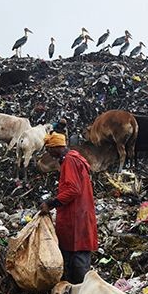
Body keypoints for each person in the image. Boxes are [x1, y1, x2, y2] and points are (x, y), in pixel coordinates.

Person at [39, 121, 98, 284]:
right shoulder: (73, 159)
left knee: (78, 258)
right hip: (78, 214)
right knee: (72, 254)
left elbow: (73, 190)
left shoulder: (70, 161)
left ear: (56, 147)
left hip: (76, 216)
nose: (48, 153)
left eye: (49, 149)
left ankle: (80, 291)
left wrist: (51, 203)